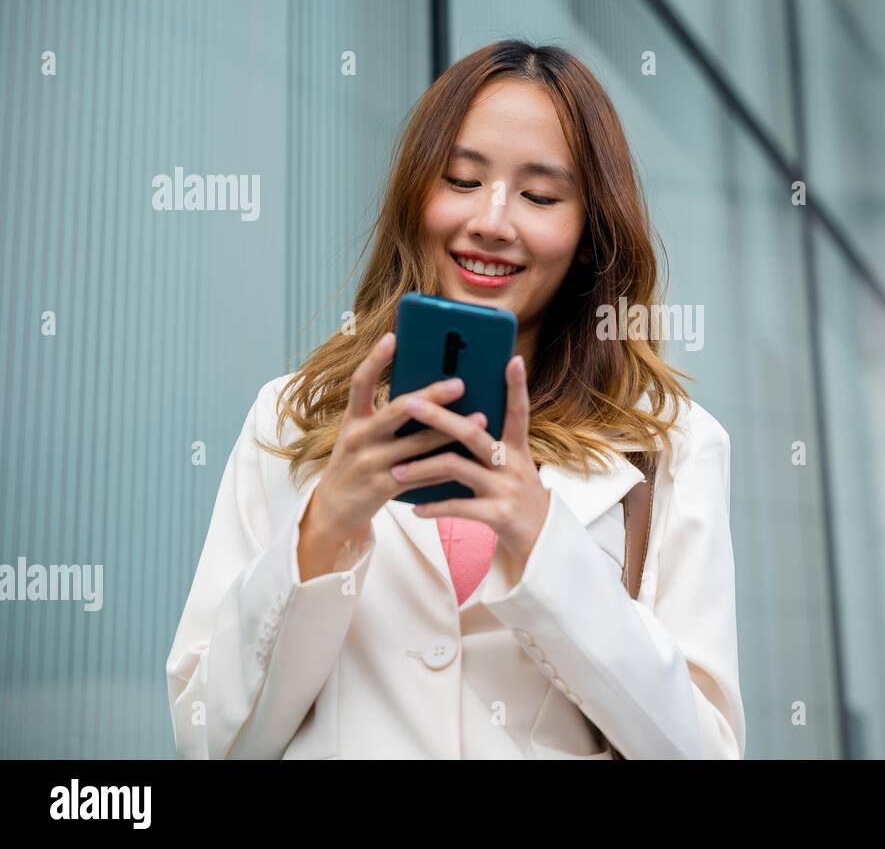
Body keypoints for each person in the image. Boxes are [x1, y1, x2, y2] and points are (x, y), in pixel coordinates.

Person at [164, 39, 745, 759]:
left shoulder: (675, 448)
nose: (493, 222)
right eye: (462, 180)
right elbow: (209, 742)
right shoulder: (290, 421)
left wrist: (543, 542)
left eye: (539, 196)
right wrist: (321, 534)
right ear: (417, 198)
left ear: (590, 236)